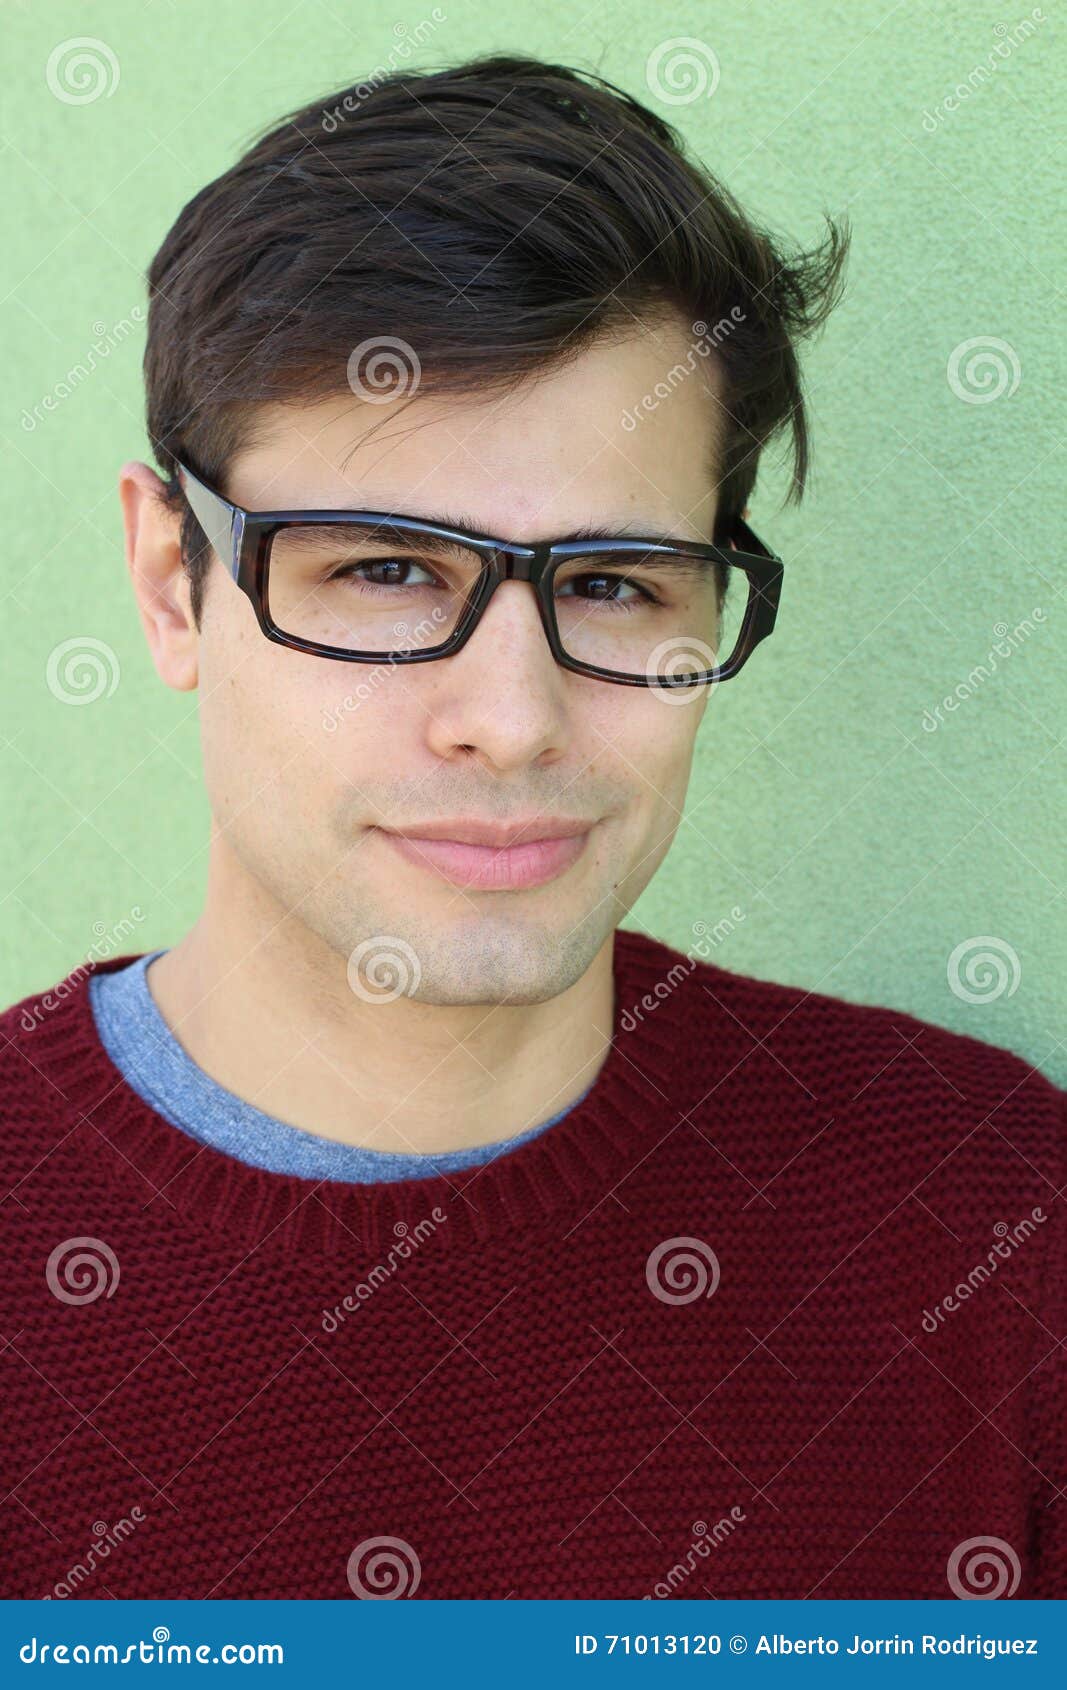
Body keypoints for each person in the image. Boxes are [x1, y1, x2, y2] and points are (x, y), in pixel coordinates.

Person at [1, 54, 1062, 1602]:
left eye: (616, 584)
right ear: (174, 581)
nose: (512, 715)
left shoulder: (993, 1228)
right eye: (384, 570)